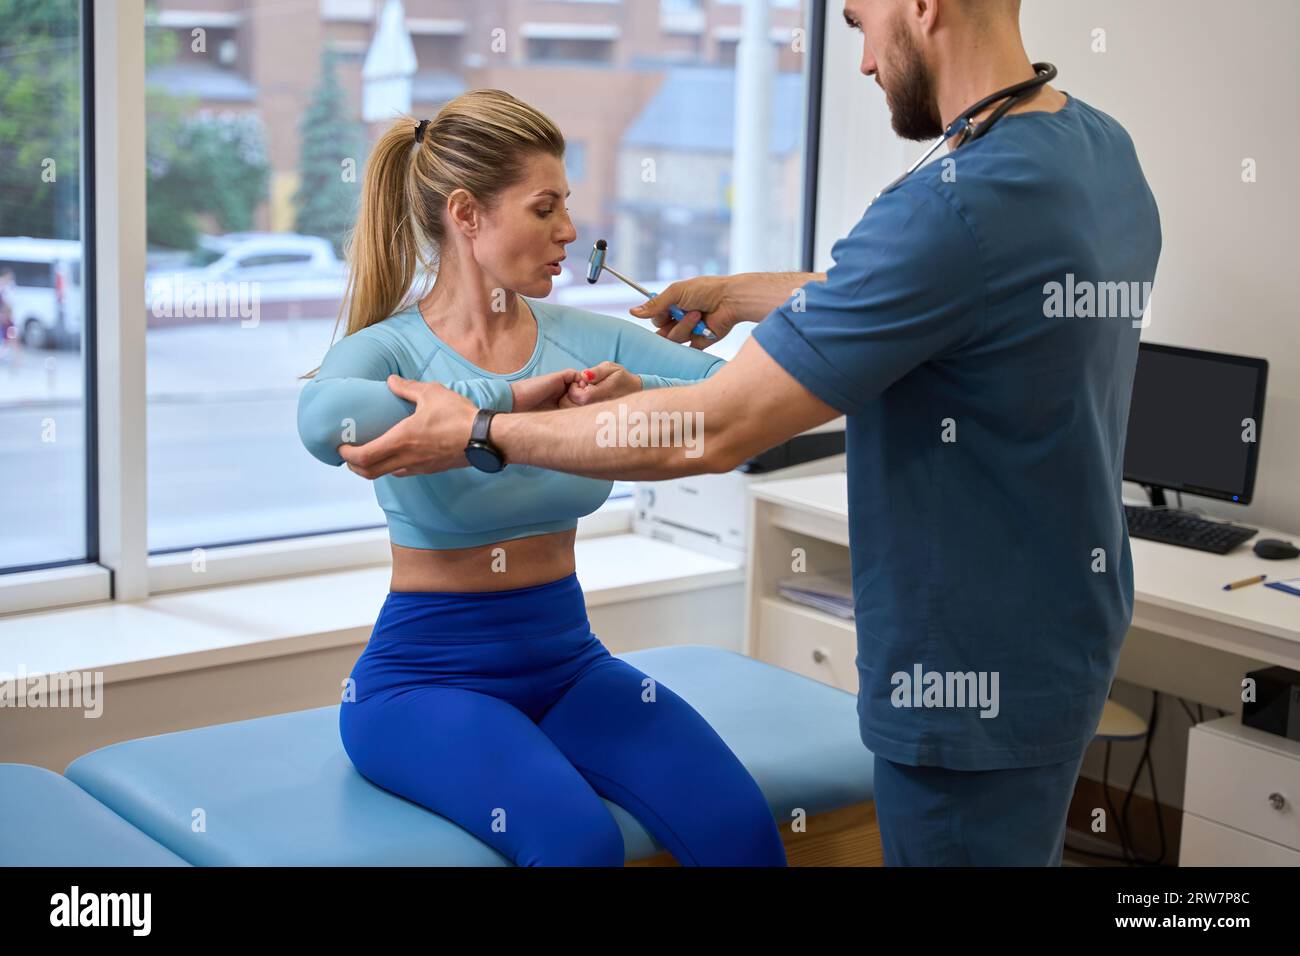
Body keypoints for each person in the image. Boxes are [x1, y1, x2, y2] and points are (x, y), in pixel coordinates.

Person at [336, 0, 1162, 866]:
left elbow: (719, 423)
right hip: (1067, 628)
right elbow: (945, 292)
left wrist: (482, 429)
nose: (864, 61)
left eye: (856, 23)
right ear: (465, 216)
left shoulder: (950, 207)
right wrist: (743, 293)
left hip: (966, 659)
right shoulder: (1098, 152)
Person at [296, 89, 787, 867]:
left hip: (568, 663)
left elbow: (738, 400)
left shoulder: (585, 340)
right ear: (467, 214)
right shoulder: (392, 351)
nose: (568, 231)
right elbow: (323, 424)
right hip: (423, 681)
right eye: (545, 208)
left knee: (740, 830)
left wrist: (651, 383)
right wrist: (505, 403)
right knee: (576, 845)